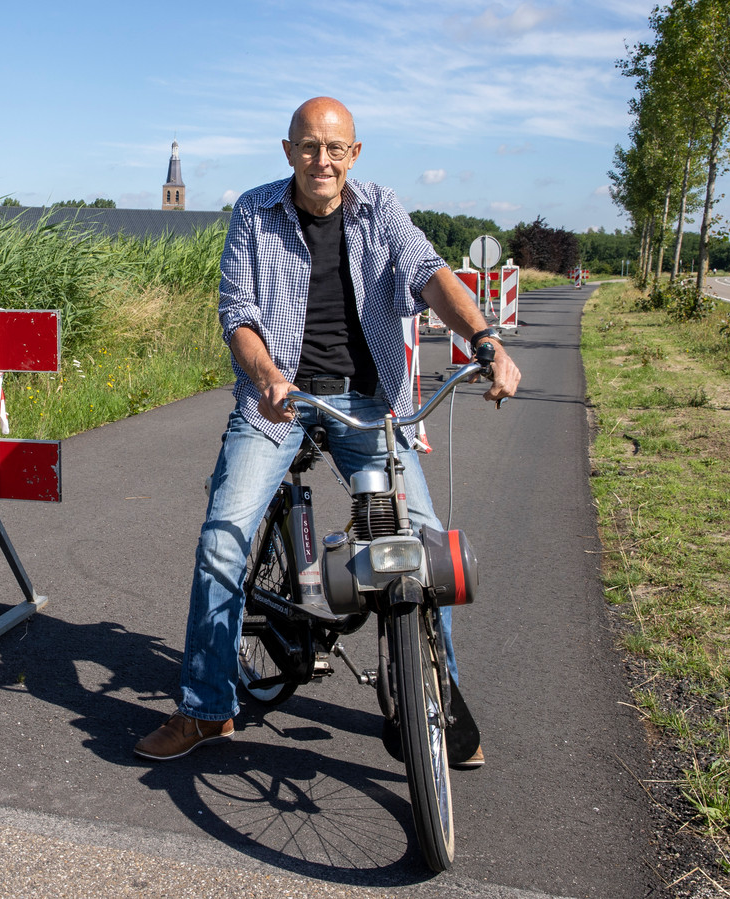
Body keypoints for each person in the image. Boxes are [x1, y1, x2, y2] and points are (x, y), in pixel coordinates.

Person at [134, 97, 521, 765]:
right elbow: (238, 313)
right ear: (288, 152)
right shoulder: (255, 213)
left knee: (425, 547)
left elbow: (432, 277)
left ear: (354, 155)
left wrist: (485, 338)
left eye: (334, 148)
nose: (322, 160)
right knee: (224, 541)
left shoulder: (381, 209)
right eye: (309, 147)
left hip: (368, 405)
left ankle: (434, 702)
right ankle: (206, 707)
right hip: (276, 400)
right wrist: (267, 377)